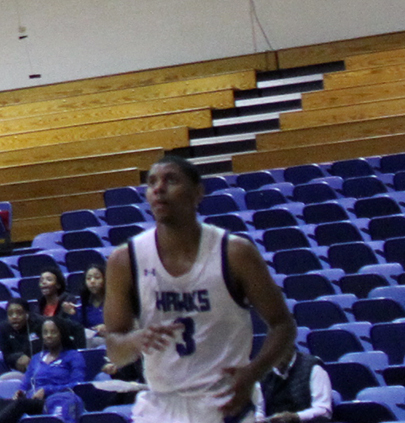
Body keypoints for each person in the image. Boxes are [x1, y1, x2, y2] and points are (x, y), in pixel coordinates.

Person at [104, 155, 296, 423]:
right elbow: (114, 347)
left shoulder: (235, 253)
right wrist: (136, 341)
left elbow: (283, 325)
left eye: (171, 180)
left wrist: (252, 373)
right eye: (151, 182)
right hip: (161, 404)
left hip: (223, 400)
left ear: (197, 192)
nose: (158, 188)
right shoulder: (125, 260)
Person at [0, 318, 86, 423]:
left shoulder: (73, 356)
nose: (49, 335)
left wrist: (47, 390)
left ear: (62, 334)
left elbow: (77, 385)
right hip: (33, 399)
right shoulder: (37, 358)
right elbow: (26, 382)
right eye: (45, 332)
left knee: (21, 404)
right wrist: (20, 391)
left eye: (53, 332)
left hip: (55, 399)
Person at [251, 347, 330, 423]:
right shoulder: (263, 372)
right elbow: (259, 410)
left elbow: (323, 410)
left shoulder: (313, 368)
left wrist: (295, 416)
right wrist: (259, 418)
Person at [0, 300, 37, 372]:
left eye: (19, 313)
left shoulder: (39, 324)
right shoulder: (4, 328)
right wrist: (18, 357)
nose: (14, 317)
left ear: (27, 314)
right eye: (10, 314)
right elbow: (6, 355)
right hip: (18, 367)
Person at [81, 261, 108, 344]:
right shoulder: (83, 304)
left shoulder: (115, 301)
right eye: (88, 278)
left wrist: (109, 327)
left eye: (97, 278)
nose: (92, 281)